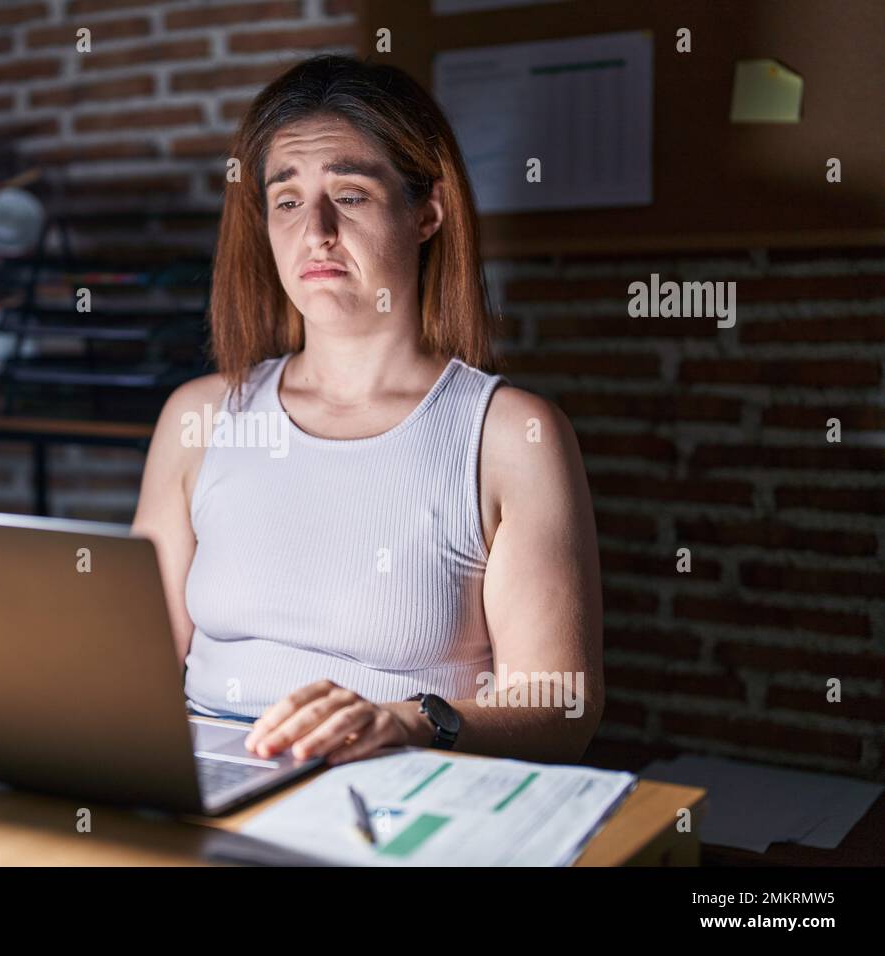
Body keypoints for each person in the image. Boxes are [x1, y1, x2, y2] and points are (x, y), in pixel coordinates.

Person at [132, 55, 602, 768]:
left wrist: (411, 723)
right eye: (286, 201)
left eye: (349, 194)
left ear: (426, 212)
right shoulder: (198, 417)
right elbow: (134, 665)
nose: (314, 230)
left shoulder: (511, 434)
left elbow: (559, 707)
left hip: (398, 790)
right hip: (202, 783)